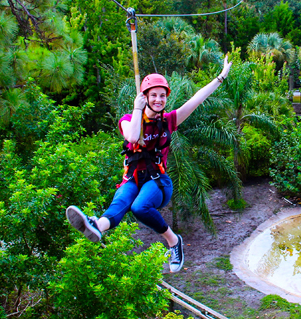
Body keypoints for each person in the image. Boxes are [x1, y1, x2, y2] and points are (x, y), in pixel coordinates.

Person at [66, 56, 232, 273]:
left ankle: (174, 242)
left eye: (162, 96)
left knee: (138, 207)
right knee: (119, 205)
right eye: (153, 95)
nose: (158, 100)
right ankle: (96, 226)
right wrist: (137, 110)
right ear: (144, 97)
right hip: (133, 179)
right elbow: (133, 137)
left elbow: (196, 100)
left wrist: (221, 77)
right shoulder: (128, 120)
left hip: (158, 182)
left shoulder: (168, 121)